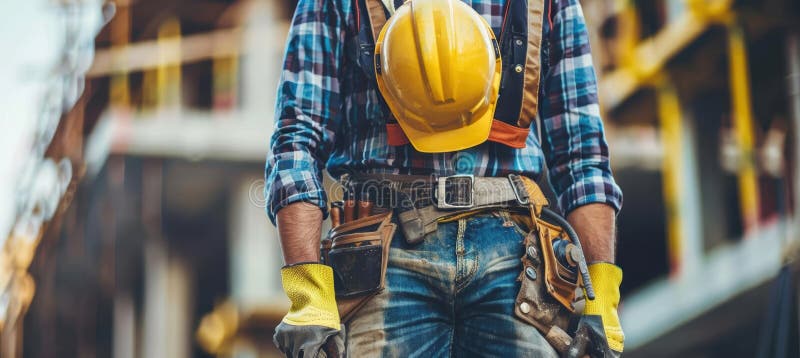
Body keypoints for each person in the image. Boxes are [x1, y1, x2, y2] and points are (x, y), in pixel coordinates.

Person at [265, 0, 625, 356]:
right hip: (382, 253)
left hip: (515, 259)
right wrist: (307, 289)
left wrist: (603, 294)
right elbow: (297, 140)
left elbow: (581, 154)